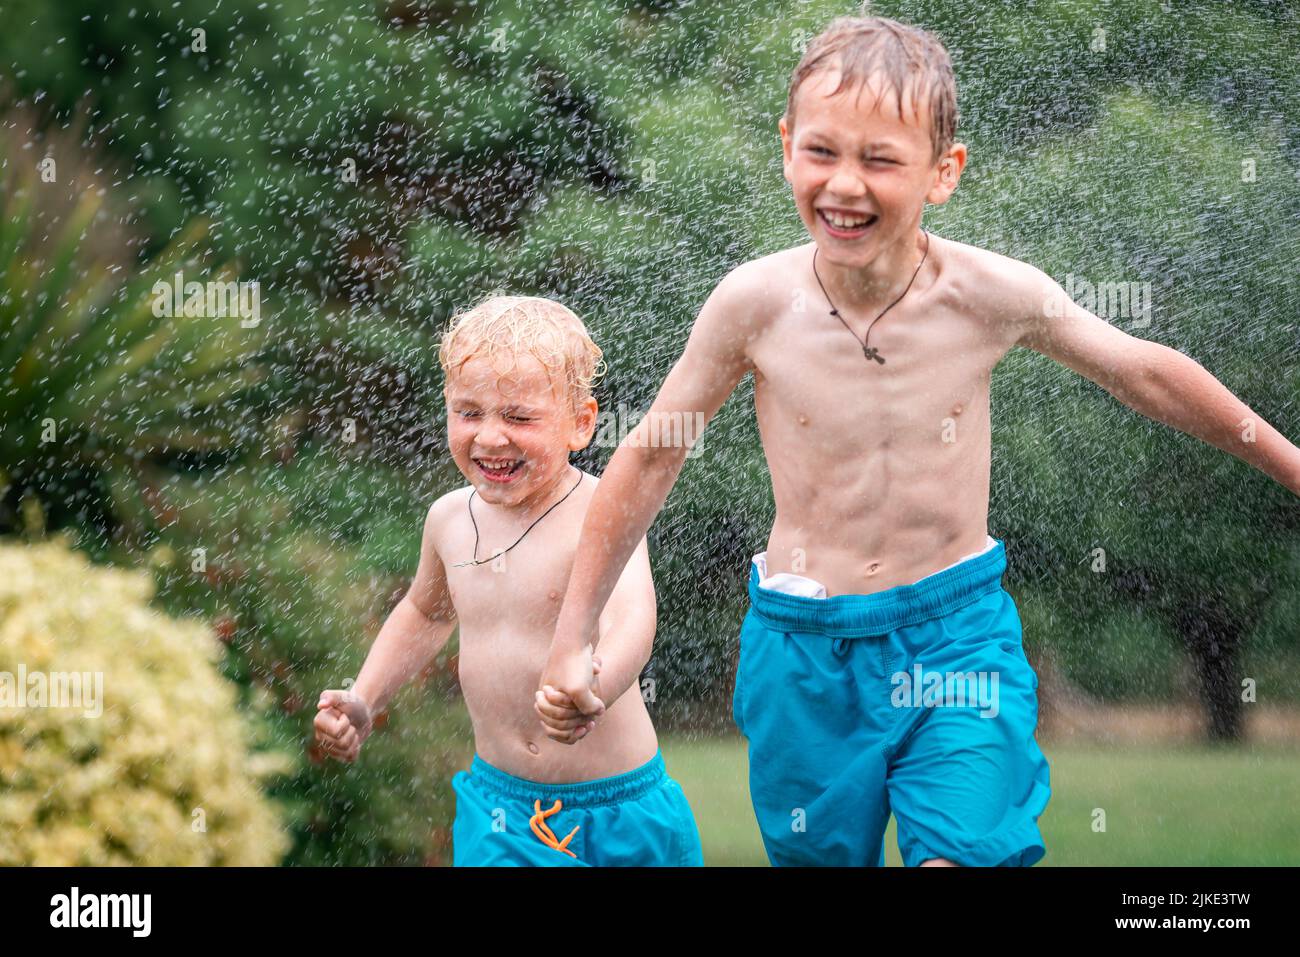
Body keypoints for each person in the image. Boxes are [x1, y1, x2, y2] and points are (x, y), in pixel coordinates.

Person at [537, 15, 1300, 867]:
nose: (845, 185)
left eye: (881, 160)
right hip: (803, 652)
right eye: (822, 152)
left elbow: (1144, 373)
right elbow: (651, 453)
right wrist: (574, 634)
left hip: (953, 633)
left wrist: (1291, 465)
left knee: (963, 852)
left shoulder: (989, 295)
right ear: (786, 145)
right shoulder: (753, 306)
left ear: (945, 172)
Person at [314, 294, 704, 867]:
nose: (491, 438)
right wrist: (366, 697)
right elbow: (426, 613)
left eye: (519, 417)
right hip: (501, 810)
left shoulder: (602, 510)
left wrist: (595, 686)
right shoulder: (448, 520)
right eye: (469, 413)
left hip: (620, 811)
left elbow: (633, 620)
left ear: (580, 424)